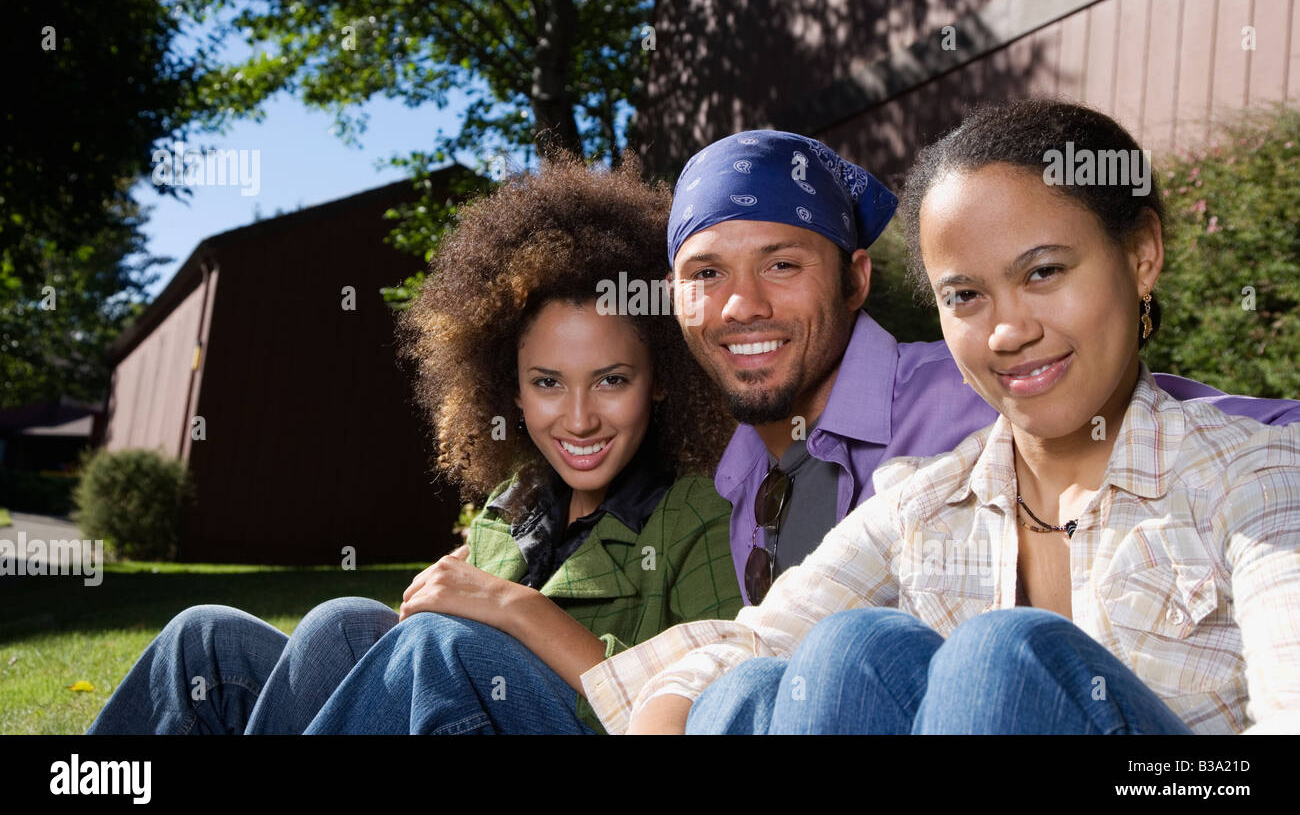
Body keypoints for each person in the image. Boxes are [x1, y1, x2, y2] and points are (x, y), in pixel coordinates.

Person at [578, 99, 1300, 734]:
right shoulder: (921, 500)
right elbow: (757, 638)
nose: (1007, 331)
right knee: (838, 651)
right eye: (964, 296)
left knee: (996, 654)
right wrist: (668, 707)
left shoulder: (1255, 476)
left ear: (1141, 255)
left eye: (1043, 272)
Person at [86, 154, 741, 735]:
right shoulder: (513, 509)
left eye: (612, 381)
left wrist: (513, 607)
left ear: (661, 382)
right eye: (547, 382)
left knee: (439, 646)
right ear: (508, 389)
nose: (578, 418)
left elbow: (706, 707)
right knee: (223, 640)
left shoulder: (701, 514)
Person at [658, 128, 1300, 606]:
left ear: (855, 281)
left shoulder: (987, 383)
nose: (742, 305)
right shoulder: (736, 480)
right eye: (706, 274)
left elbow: (1223, 437)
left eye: (782, 265)